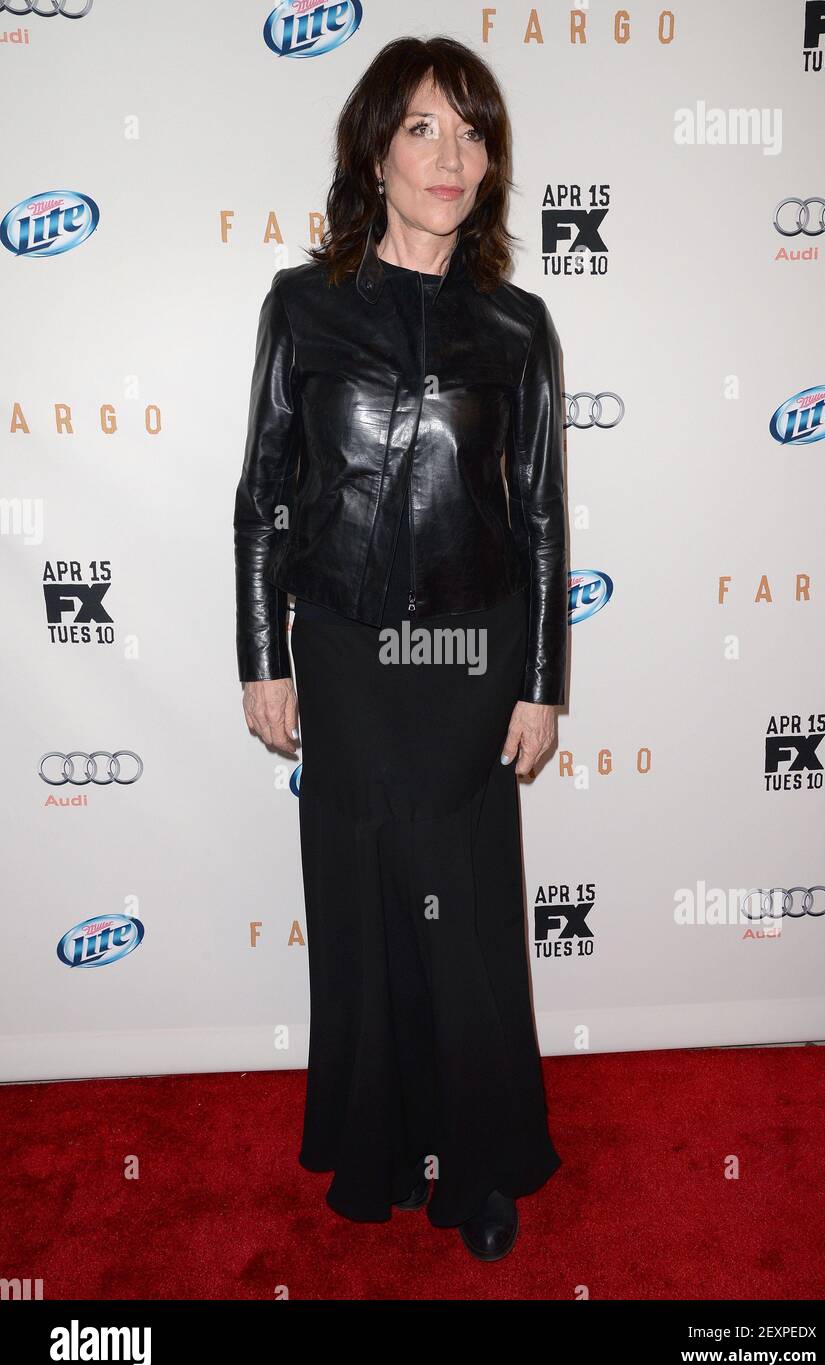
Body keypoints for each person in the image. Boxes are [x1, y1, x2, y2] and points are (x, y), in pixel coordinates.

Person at [234, 35, 568, 1262]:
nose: (450, 155)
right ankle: (377, 1141)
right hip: (340, 654)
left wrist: (540, 681)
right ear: (374, 151)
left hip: (469, 663)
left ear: (491, 164)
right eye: (423, 128)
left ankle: (479, 1161)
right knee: (365, 908)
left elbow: (538, 517)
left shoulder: (515, 325)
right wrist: (259, 652)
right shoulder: (302, 305)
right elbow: (264, 487)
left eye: (471, 131)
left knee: (466, 918)